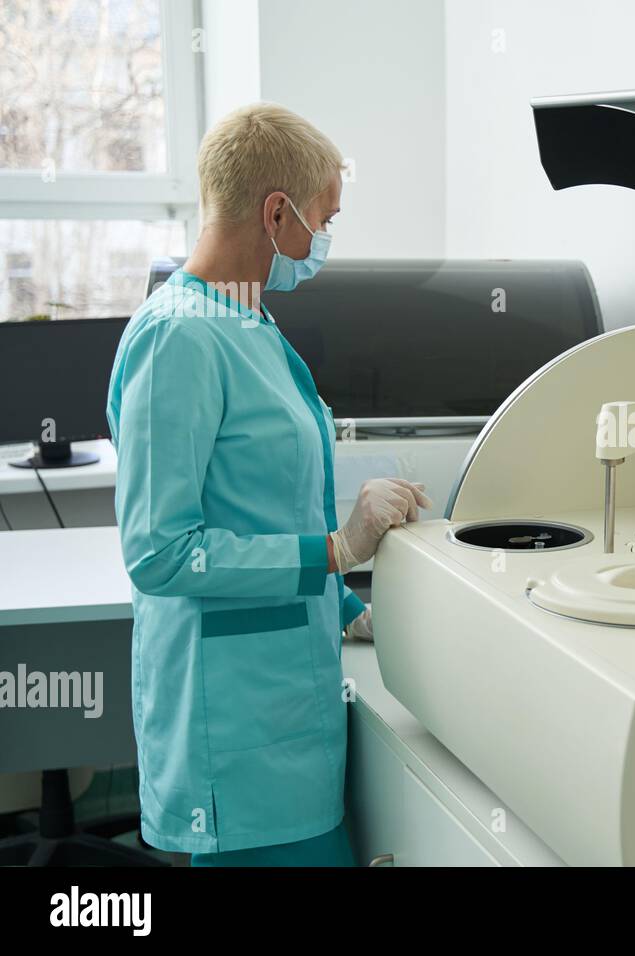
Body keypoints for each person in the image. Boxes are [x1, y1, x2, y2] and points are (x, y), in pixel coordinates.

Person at [106, 103, 431, 866]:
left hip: (283, 703)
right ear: (276, 212)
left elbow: (262, 504)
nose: (324, 242)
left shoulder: (245, 319)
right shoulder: (179, 338)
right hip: (233, 730)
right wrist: (335, 549)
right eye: (325, 219)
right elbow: (161, 552)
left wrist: (349, 606)